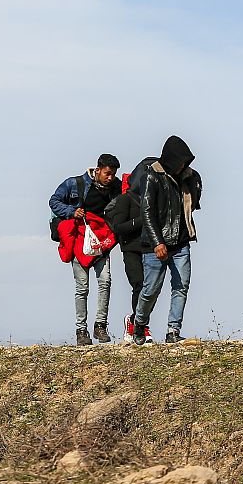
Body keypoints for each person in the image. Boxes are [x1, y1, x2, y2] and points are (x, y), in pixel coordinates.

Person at [129, 136, 203, 345]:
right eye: (180, 161)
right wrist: (157, 242)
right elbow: (147, 212)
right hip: (155, 245)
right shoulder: (151, 176)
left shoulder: (188, 176)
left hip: (180, 242)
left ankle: (173, 330)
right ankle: (140, 325)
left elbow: (194, 202)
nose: (183, 165)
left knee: (181, 285)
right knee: (151, 289)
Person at [50, 155, 123, 345]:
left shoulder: (116, 186)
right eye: (107, 173)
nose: (110, 178)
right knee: (82, 288)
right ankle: (81, 331)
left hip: (102, 242)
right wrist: (71, 212)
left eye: (113, 174)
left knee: (105, 282)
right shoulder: (75, 184)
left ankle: (100, 326)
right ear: (97, 170)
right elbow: (54, 201)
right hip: (79, 242)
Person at [104, 173, 150, 346]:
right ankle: (139, 326)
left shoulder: (151, 199)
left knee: (150, 289)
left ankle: (136, 321)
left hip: (150, 249)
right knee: (139, 285)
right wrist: (142, 220)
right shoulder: (124, 200)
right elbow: (119, 227)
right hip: (131, 248)